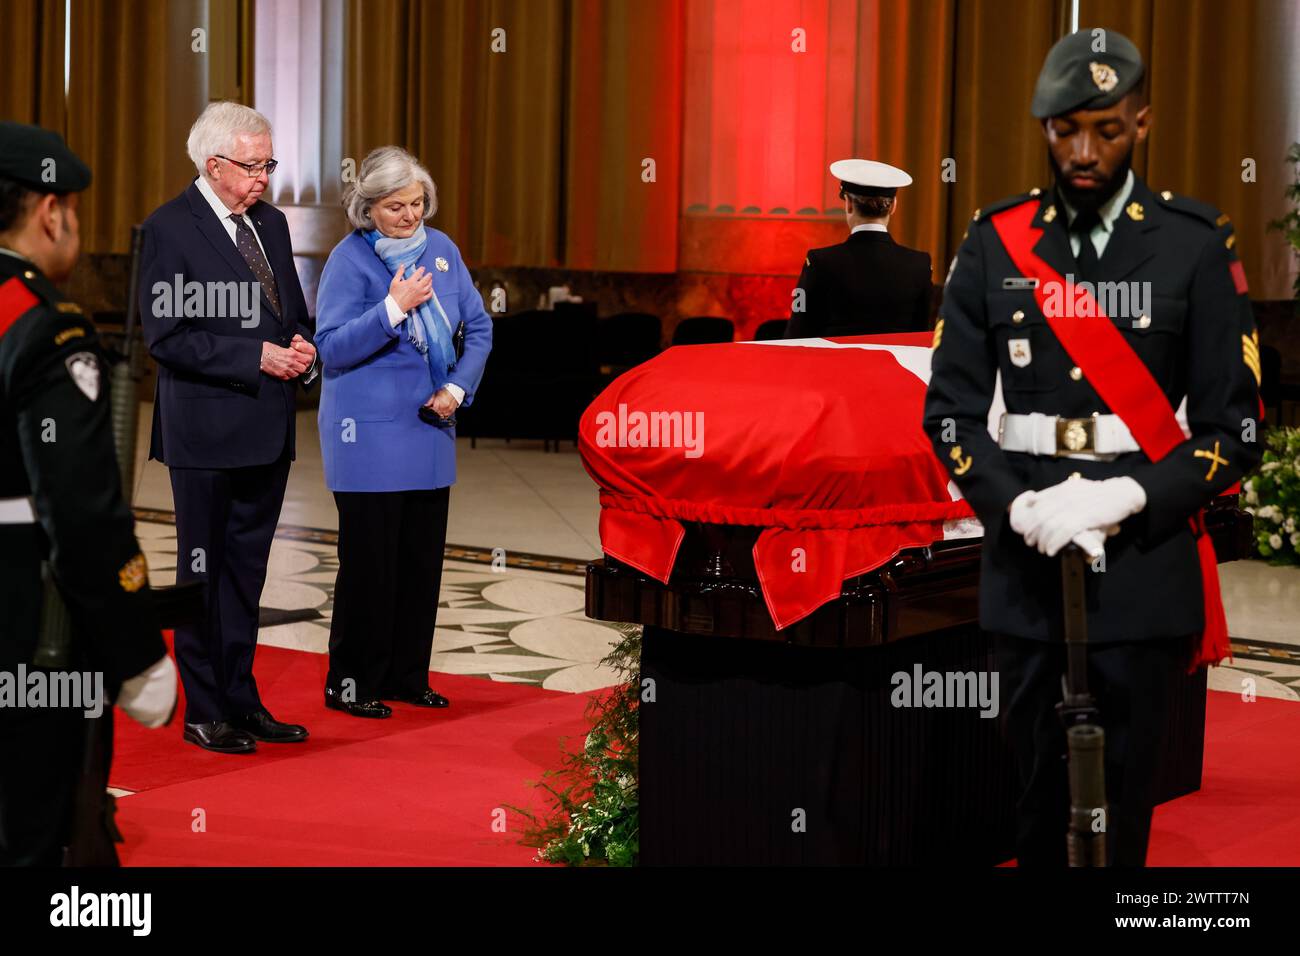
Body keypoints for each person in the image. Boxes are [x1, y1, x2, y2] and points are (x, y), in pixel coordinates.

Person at [923, 29, 1261, 866]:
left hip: (1142, 564)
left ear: (1142, 123)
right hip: (1029, 559)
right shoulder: (994, 242)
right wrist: (1016, 503)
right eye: (1064, 128)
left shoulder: (1194, 243)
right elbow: (949, 414)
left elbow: (1236, 431)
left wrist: (1133, 495)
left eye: (1106, 130)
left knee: (1123, 797)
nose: (1082, 150)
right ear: (1042, 125)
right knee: (1039, 792)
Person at [0, 122, 177, 865]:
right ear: (50, 211)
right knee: (33, 831)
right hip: (26, 622)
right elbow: (78, 509)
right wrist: (137, 652)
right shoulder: (46, 327)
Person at [138, 102, 316, 753]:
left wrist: (303, 347)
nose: (266, 175)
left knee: (247, 575)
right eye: (254, 164)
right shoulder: (168, 228)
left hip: (266, 430)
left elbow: (291, 312)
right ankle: (204, 709)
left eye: (269, 162)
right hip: (204, 435)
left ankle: (242, 700)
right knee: (203, 574)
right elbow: (167, 337)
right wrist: (255, 357)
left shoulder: (269, 222)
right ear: (214, 166)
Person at [315, 146, 491, 719]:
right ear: (367, 207)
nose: (410, 216)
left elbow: (481, 327)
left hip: (428, 428)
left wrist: (458, 388)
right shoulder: (350, 260)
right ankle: (352, 682)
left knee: (420, 564)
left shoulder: (442, 252)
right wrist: (391, 308)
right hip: (365, 437)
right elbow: (332, 348)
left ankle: (406, 675)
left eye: (417, 204)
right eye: (395, 206)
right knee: (370, 567)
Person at [785, 159, 932, 339]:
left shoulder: (821, 262)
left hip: (835, 366)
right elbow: (923, 337)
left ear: (848, 204)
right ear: (893, 206)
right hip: (893, 367)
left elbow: (797, 336)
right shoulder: (920, 264)